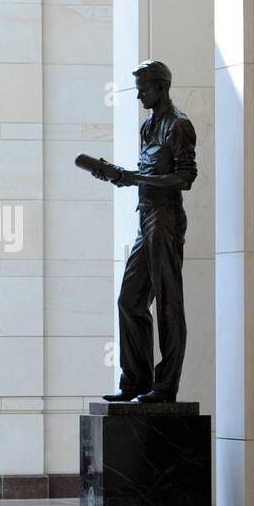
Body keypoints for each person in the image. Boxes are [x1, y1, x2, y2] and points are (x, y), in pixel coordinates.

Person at [94, 59, 198, 404]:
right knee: (130, 300)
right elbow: (147, 173)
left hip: (166, 219)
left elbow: (184, 179)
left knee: (169, 302)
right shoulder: (148, 127)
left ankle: (165, 387)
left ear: (161, 87)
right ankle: (136, 383)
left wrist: (132, 178)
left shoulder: (179, 126)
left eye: (144, 88)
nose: (139, 95)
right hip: (146, 217)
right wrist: (117, 174)